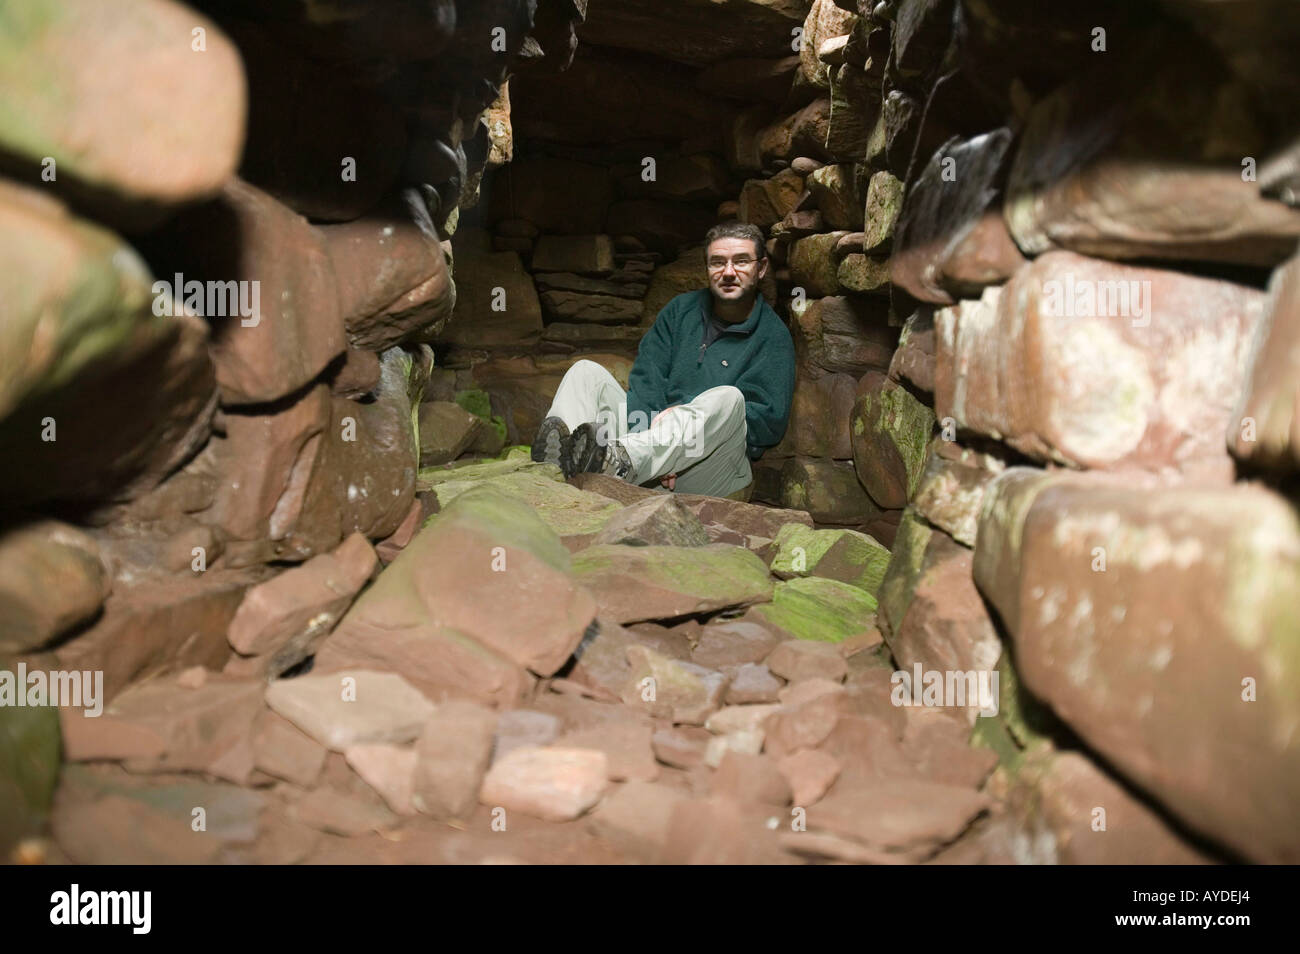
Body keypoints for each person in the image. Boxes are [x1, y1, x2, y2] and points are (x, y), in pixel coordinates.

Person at [531, 222, 796, 498]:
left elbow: (766, 425)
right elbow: (647, 380)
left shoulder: (773, 336)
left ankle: (625, 459)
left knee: (730, 399)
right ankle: (558, 466)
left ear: (761, 268)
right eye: (718, 262)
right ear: (707, 268)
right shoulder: (680, 311)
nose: (728, 272)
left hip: (707, 466)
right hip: (643, 449)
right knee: (585, 373)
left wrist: (677, 439)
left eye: (741, 261)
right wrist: (654, 441)